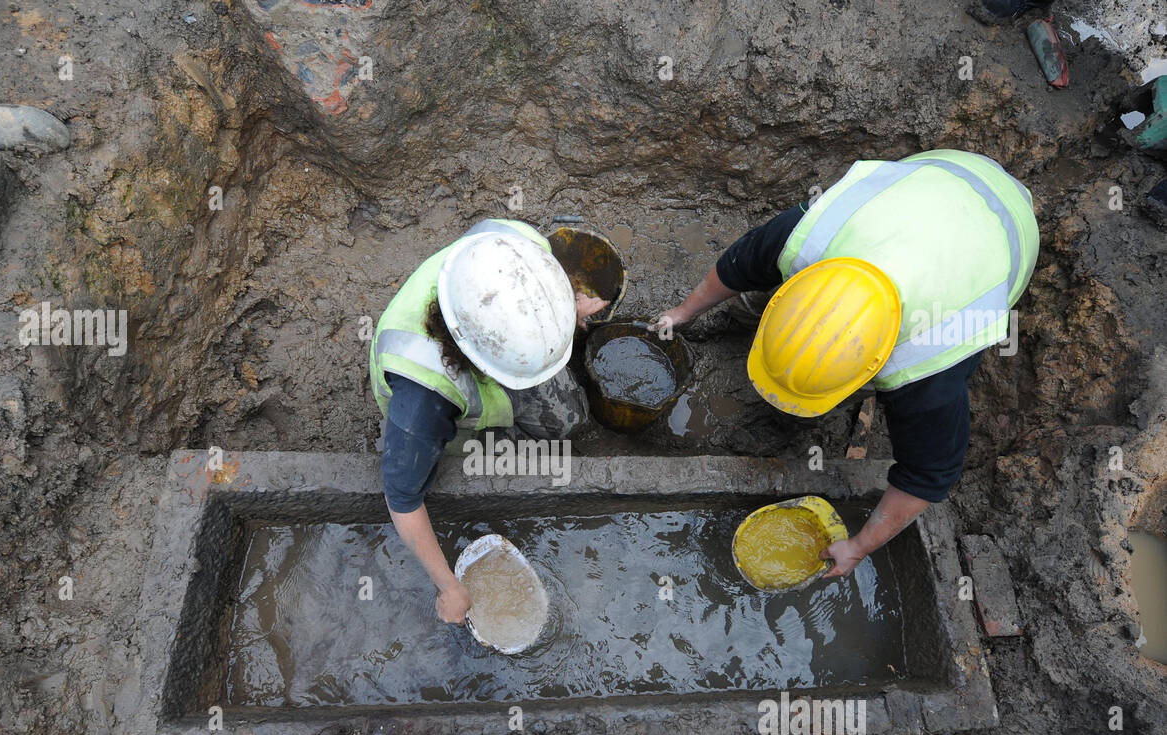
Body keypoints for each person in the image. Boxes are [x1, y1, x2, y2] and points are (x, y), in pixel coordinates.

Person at [658, 149, 1039, 577]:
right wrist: (682, 312)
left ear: (876, 364)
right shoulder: (811, 235)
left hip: (1012, 236)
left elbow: (930, 475)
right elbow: (740, 261)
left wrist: (861, 545)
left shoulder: (930, 364)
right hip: (947, 168)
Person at [370, 219, 607, 623]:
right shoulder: (422, 397)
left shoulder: (513, 243)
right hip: (434, 398)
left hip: (478, 355)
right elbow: (403, 500)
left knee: (569, 421)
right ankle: (465, 436)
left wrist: (567, 305)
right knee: (476, 455)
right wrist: (448, 585)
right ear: (483, 362)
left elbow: (531, 290)